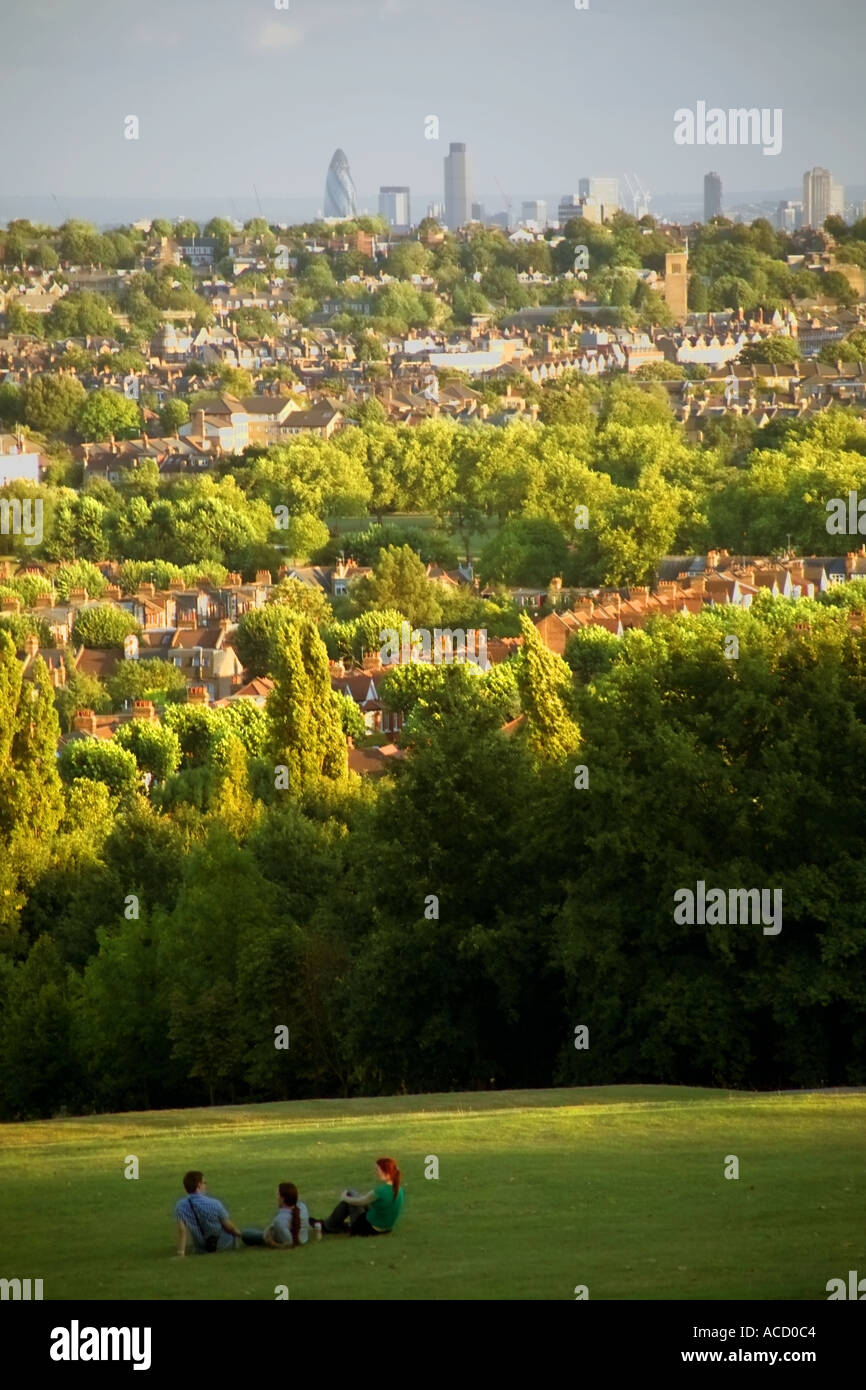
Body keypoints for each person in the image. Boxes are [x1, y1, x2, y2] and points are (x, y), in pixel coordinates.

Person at [311, 1157, 404, 1238]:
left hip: (370, 1228)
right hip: (386, 1227)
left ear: (387, 1173)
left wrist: (344, 1197)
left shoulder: (380, 1191)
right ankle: (330, 1225)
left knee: (349, 1199)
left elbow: (361, 1202)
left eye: (377, 1170)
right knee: (351, 1193)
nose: (375, 1173)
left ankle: (327, 1226)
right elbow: (368, 1202)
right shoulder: (398, 1189)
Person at [173, 1171, 240, 1257]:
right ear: (199, 1185)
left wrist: (181, 1253)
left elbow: (182, 1230)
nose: (206, 1186)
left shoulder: (180, 1206)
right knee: (248, 1234)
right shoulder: (214, 1204)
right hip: (223, 1245)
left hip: (201, 1248)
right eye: (204, 1183)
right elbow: (229, 1227)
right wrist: (239, 1234)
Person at [241, 1183, 310, 1249]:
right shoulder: (302, 1206)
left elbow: (290, 1243)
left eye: (277, 1195)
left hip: (274, 1237)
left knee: (245, 1233)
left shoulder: (279, 1220)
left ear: (282, 1199)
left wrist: (272, 1243)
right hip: (303, 1238)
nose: (276, 1198)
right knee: (256, 1228)